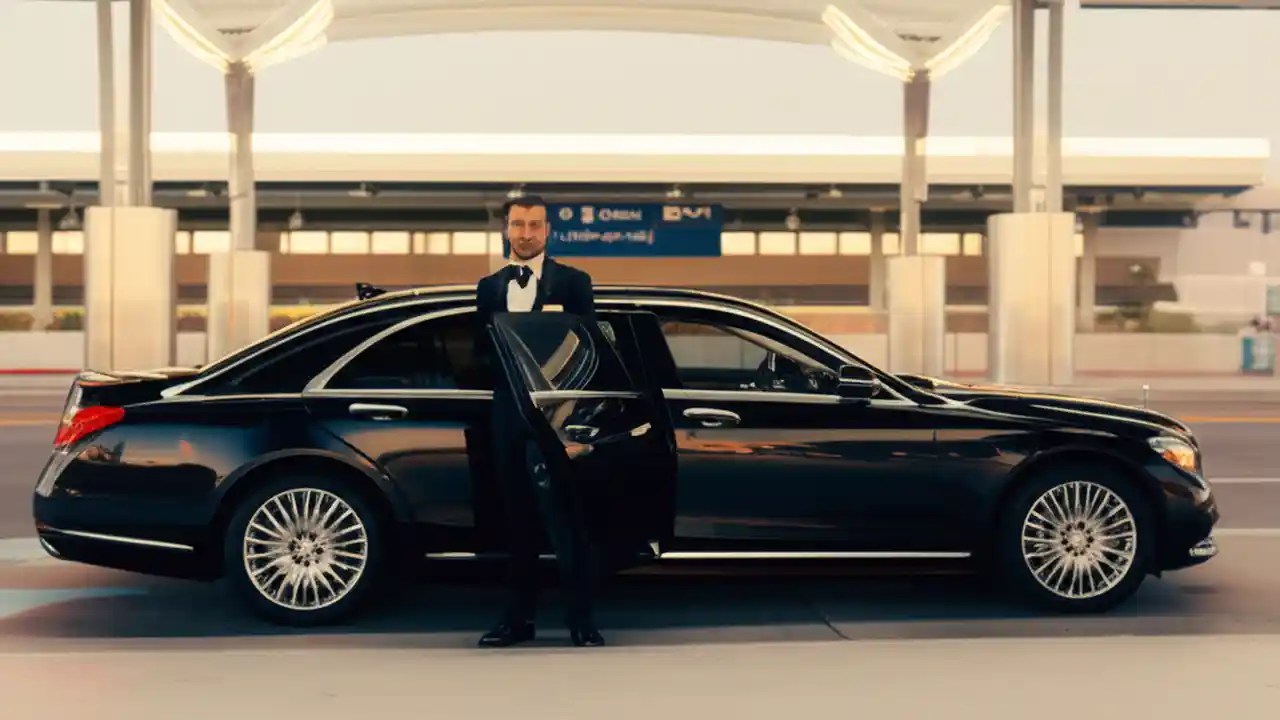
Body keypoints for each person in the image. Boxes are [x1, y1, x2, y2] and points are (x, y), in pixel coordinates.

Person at [473, 194, 604, 648]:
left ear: (548, 231)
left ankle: (581, 623)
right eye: (517, 224)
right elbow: (480, 353)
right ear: (506, 230)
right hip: (507, 418)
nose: (525, 233)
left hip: (557, 418)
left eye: (534, 225)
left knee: (567, 523)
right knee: (517, 525)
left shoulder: (574, 282)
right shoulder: (488, 287)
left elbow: (588, 350)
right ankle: (517, 621)